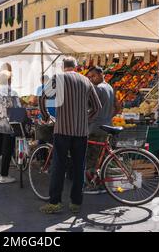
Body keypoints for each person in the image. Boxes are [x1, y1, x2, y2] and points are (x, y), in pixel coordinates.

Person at [39, 57, 102, 214]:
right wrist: (85, 120)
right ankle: (76, 203)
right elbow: (97, 107)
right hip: (81, 132)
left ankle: (55, 202)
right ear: (76, 67)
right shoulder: (86, 81)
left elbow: (42, 98)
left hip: (62, 130)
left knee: (58, 166)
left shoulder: (58, 78)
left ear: (63, 67)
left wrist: (46, 116)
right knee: (79, 166)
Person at [85, 66, 119, 194]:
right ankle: (104, 184)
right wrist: (108, 117)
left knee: (92, 158)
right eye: (89, 77)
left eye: (93, 76)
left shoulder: (97, 89)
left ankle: (93, 186)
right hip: (107, 126)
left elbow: (88, 107)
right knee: (103, 158)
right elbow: (118, 107)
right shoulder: (110, 87)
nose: (91, 79)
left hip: (95, 128)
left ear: (100, 75)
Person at [0, 70, 21, 184]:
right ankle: (4, 175)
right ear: (9, 80)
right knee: (6, 150)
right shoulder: (12, 92)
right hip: (8, 125)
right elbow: (17, 110)